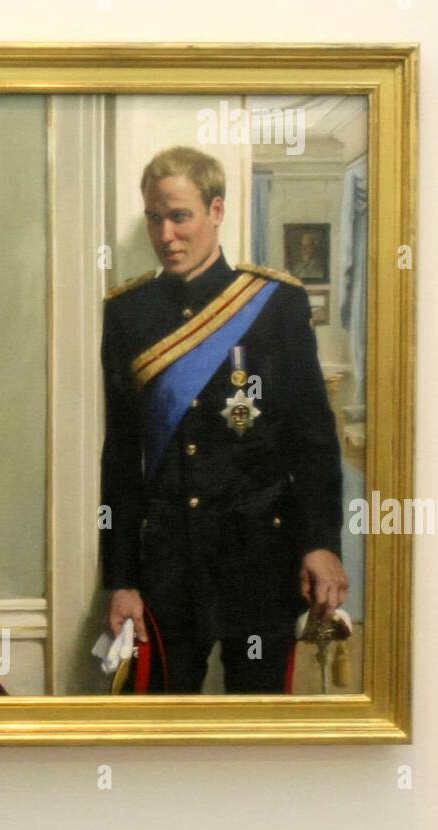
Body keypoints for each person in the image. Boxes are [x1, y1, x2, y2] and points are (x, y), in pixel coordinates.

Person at [99, 146, 349, 694]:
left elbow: (311, 439)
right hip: (168, 566)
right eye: (154, 218)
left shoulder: (275, 304)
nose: (165, 234)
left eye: (180, 215)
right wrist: (120, 579)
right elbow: (120, 456)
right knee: (163, 735)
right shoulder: (126, 314)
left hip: (260, 559)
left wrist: (321, 541)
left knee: (258, 735)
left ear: (216, 211)